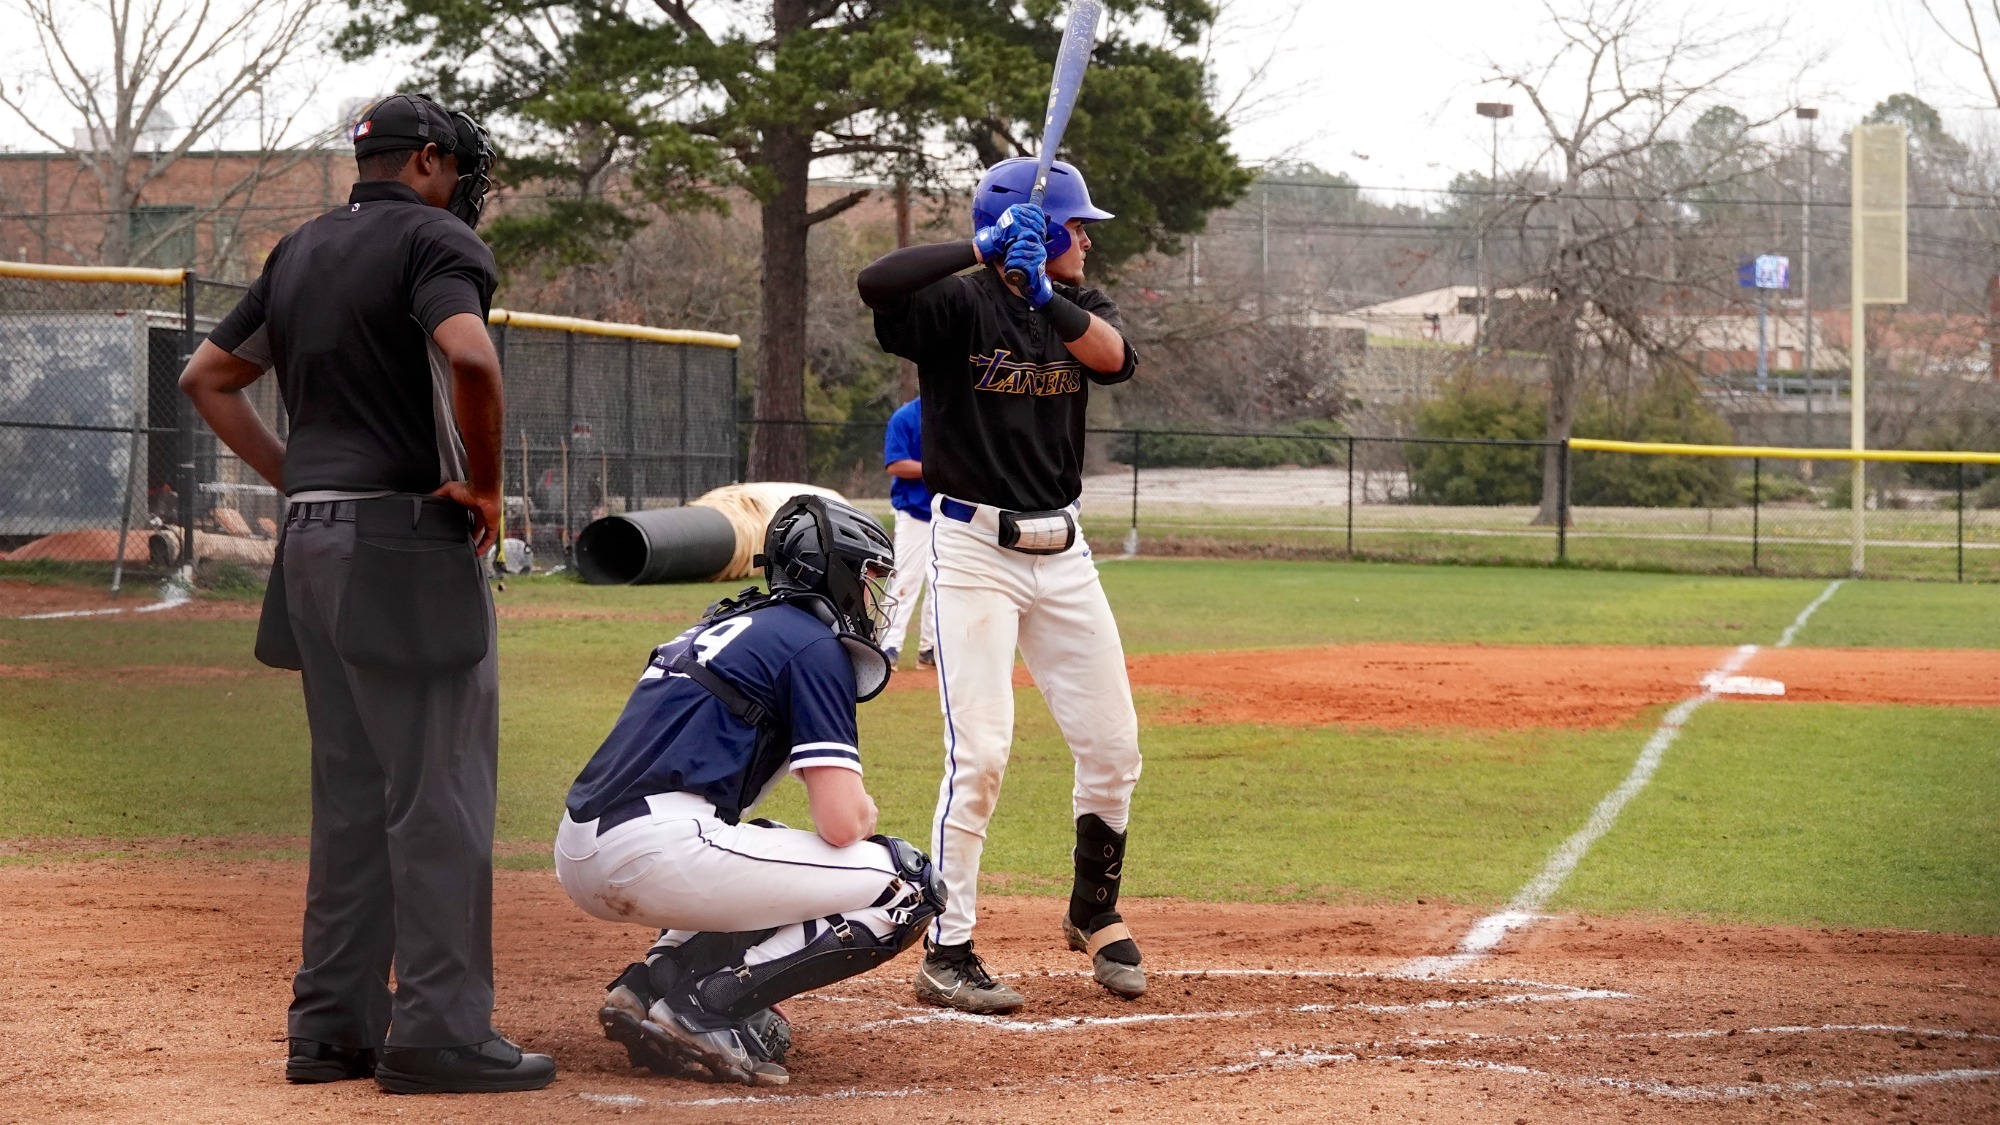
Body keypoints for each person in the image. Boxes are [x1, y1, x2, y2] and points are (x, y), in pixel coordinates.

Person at [178, 93, 554, 1094]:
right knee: (438, 793)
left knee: (350, 794)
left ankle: (331, 1028)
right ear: (426, 160)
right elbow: (469, 355)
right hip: (402, 542)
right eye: (459, 170)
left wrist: (297, 476)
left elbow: (207, 379)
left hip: (309, 545)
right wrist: (482, 482)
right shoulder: (435, 243)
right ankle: (439, 1032)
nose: (462, 191)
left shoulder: (298, 246)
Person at [854, 157, 1145, 1014]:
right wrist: (980, 248)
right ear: (1033, 224)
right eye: (1075, 224)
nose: (1087, 238)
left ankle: (1094, 909)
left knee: (1114, 746)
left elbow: (1116, 359)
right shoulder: (958, 300)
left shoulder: (1079, 304)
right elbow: (876, 285)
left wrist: (1040, 293)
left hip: (1064, 550)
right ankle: (947, 948)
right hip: (974, 548)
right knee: (978, 753)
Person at [554, 495, 945, 1087]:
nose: (874, 597)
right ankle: (704, 1007)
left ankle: (650, 985)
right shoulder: (814, 645)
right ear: (831, 571)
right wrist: (865, 814)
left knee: (758, 844)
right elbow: (841, 821)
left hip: (583, 847)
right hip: (654, 848)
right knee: (908, 883)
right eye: (868, 577)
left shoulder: (720, 626)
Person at [879, 395, 937, 668]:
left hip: (950, 514)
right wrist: (937, 469)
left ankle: (931, 648)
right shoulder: (906, 416)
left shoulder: (955, 413)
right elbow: (895, 463)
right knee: (906, 581)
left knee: (942, 584)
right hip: (915, 513)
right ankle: (889, 646)